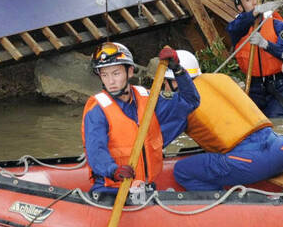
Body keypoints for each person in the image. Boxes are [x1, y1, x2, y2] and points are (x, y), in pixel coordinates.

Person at [162, 51, 283, 191]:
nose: (164, 89)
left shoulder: (183, 103)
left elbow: (159, 141)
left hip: (250, 162)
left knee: (182, 170)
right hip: (280, 148)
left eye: (164, 84)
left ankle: (222, 209)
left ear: (175, 82)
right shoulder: (222, 79)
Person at [80, 42, 199, 196]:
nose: (110, 81)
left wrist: (177, 70)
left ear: (130, 72)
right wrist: (115, 171)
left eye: (116, 73)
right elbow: (96, 152)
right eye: (104, 75)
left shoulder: (148, 98)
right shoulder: (97, 110)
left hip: (145, 187)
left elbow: (190, 101)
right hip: (112, 189)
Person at [226, 0, 283, 118]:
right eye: (248, 0)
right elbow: (233, 28)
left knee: (278, 118)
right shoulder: (237, 28)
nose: (254, 2)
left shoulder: (277, 24)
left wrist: (266, 44)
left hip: (279, 84)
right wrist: (255, 12)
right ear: (240, 7)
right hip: (254, 87)